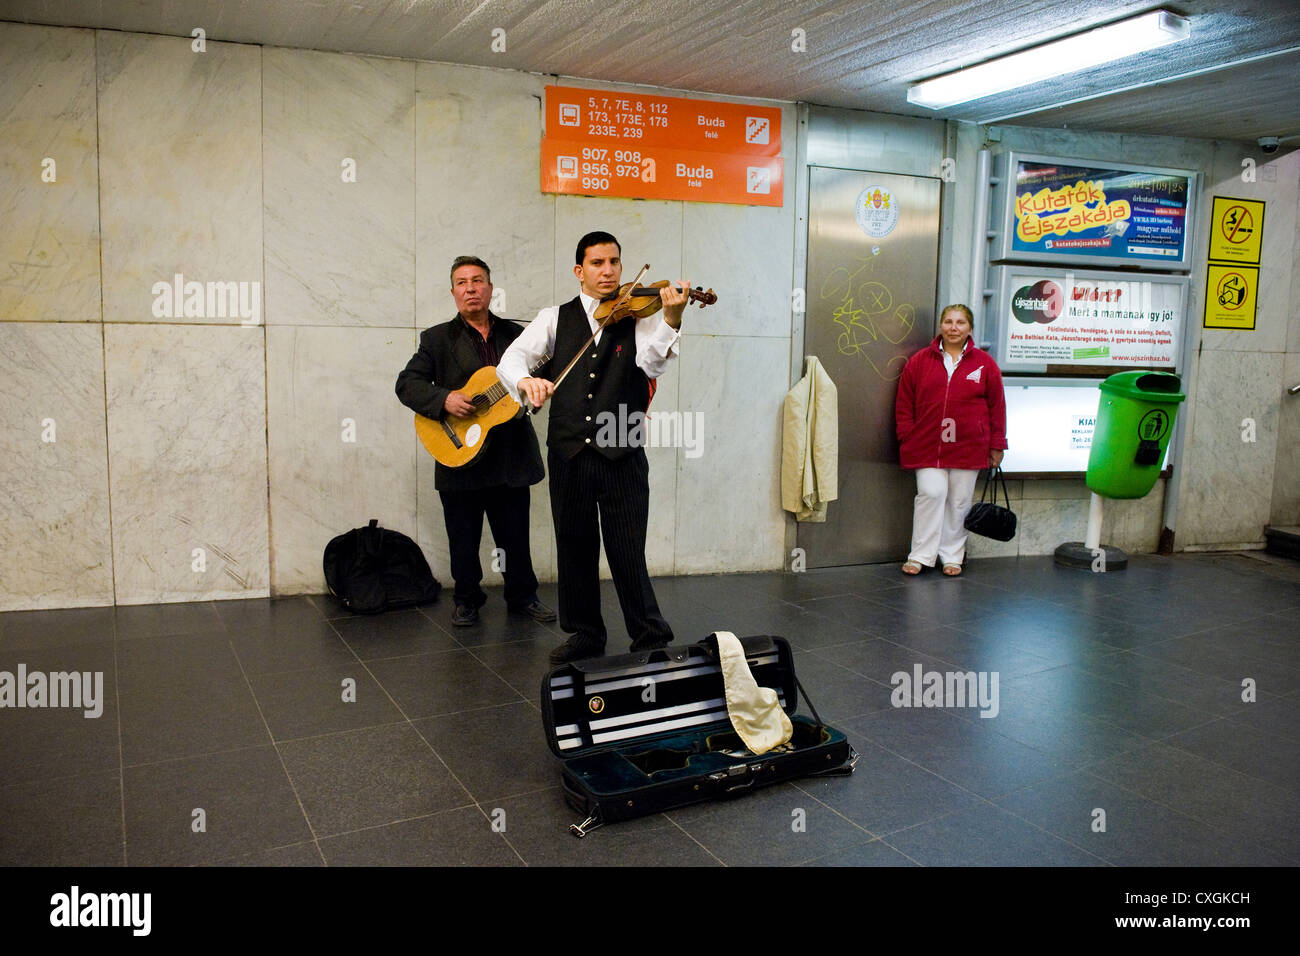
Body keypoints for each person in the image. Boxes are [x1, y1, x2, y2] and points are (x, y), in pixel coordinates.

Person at [496, 232, 689, 663]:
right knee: (575, 546)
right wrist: (525, 381)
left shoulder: (640, 314)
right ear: (579, 271)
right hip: (569, 454)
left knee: (627, 548)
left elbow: (652, 362)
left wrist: (672, 320)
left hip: (622, 452)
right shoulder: (554, 318)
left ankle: (649, 634)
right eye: (598, 263)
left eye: (615, 262)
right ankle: (585, 634)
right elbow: (509, 360)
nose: (608, 271)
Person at [395, 256, 556, 626]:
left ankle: (523, 596)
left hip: (510, 452)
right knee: (463, 536)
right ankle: (467, 599)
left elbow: (542, 371)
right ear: (453, 292)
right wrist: (444, 399)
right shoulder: (436, 339)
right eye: (462, 282)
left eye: (478, 280)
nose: (471, 288)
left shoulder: (517, 335)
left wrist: (540, 387)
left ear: (490, 288)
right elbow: (407, 385)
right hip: (458, 452)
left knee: (515, 534)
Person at [895, 303, 1007, 577]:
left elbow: (997, 406)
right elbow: (904, 403)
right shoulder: (919, 361)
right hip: (927, 444)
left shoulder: (984, 364)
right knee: (930, 494)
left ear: (969, 328)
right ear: (941, 326)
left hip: (969, 445)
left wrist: (997, 444)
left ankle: (952, 555)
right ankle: (921, 555)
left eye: (960, 322)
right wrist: (907, 435)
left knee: (959, 501)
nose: (953, 327)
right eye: (948, 322)